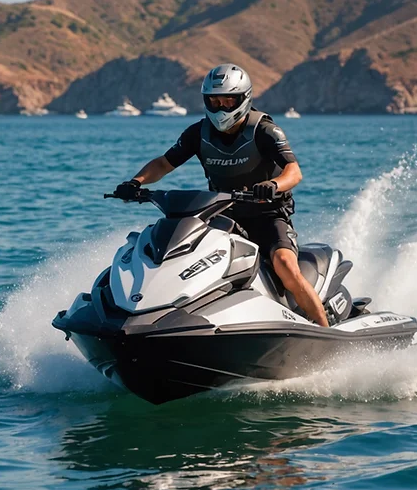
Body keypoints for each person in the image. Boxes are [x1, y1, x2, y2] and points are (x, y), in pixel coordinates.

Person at [113, 63, 330, 327]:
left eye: (229, 100)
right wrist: (135, 182)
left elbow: (294, 172)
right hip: (222, 215)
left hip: (268, 215)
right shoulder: (197, 133)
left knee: (284, 264)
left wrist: (273, 185)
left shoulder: (264, 130)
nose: (221, 107)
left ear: (244, 98)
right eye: (214, 101)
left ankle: (325, 330)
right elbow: (164, 163)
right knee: (182, 255)